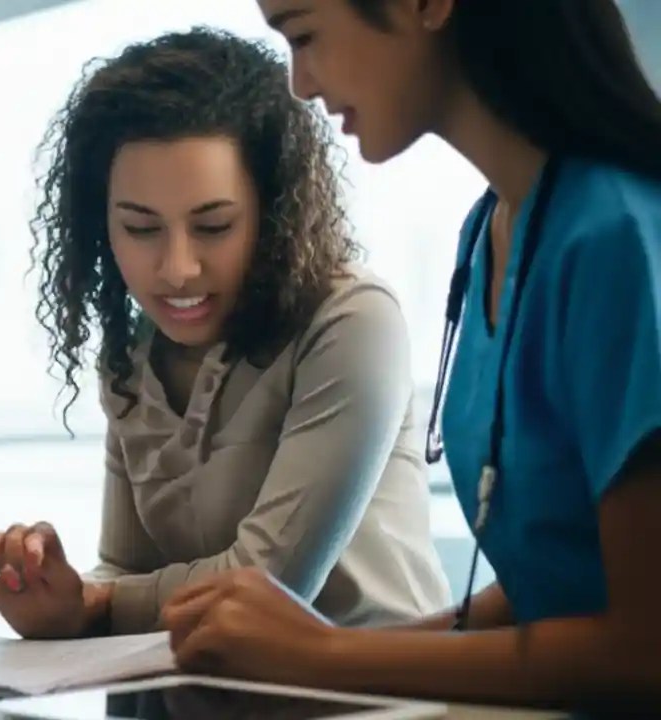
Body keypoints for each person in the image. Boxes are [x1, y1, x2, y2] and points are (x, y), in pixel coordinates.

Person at [162, 0, 661, 712]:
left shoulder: (619, 235)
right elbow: (558, 582)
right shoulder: (490, 228)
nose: (299, 83)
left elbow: (647, 649)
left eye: (304, 34)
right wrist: (304, 654)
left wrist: (324, 653)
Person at [0, 27, 451, 640]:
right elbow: (125, 571)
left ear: (273, 212)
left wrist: (94, 602)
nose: (177, 269)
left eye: (214, 226)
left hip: (373, 698)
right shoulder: (129, 354)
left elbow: (268, 583)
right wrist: (50, 589)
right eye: (141, 229)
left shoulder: (353, 320)